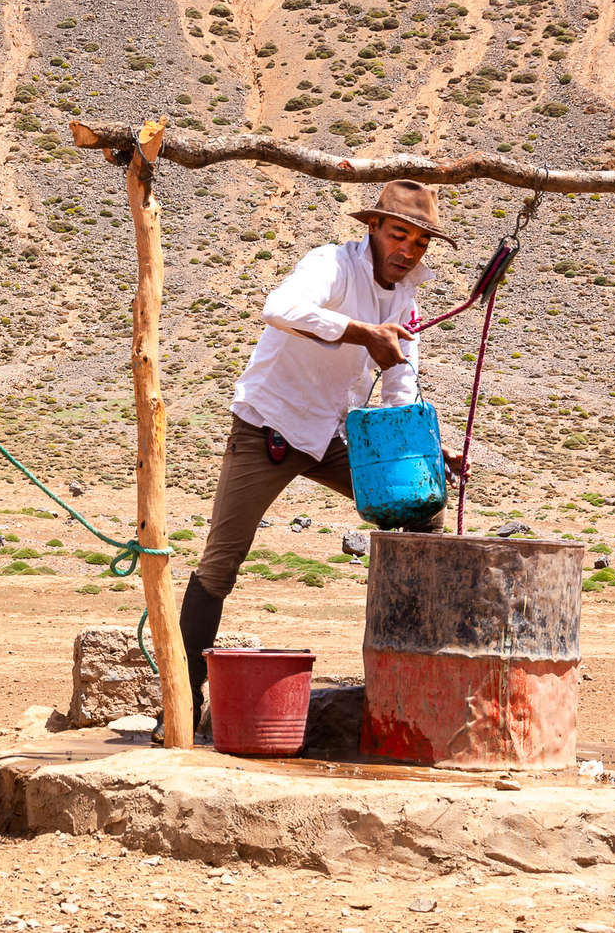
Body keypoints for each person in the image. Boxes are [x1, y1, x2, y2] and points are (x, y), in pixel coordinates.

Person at [177, 179, 469, 737]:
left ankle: (415, 677)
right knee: (222, 563)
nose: (407, 250)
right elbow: (280, 308)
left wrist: (418, 447)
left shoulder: (408, 299)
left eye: (420, 242)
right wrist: (360, 333)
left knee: (421, 508)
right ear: (373, 229)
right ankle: (185, 703)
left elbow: (400, 386)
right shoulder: (331, 264)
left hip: (335, 435)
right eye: (398, 234)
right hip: (271, 428)